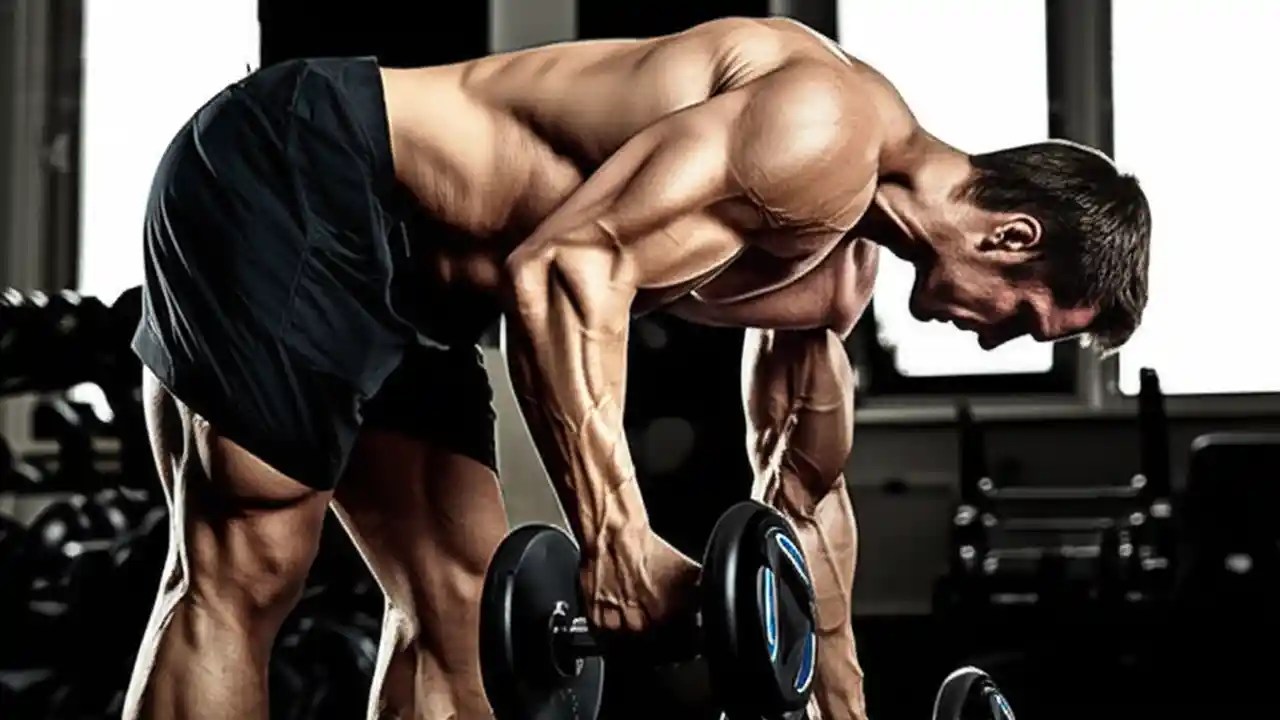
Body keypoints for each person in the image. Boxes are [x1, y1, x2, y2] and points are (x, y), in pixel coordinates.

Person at [123, 15, 1151, 720]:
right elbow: (565, 273)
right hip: (311, 167)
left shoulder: (841, 271)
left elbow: (800, 491)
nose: (994, 342)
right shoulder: (821, 134)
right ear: (1013, 236)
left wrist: (835, 698)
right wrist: (614, 538)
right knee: (244, 566)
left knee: (469, 614)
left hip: (427, 291)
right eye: (1028, 323)